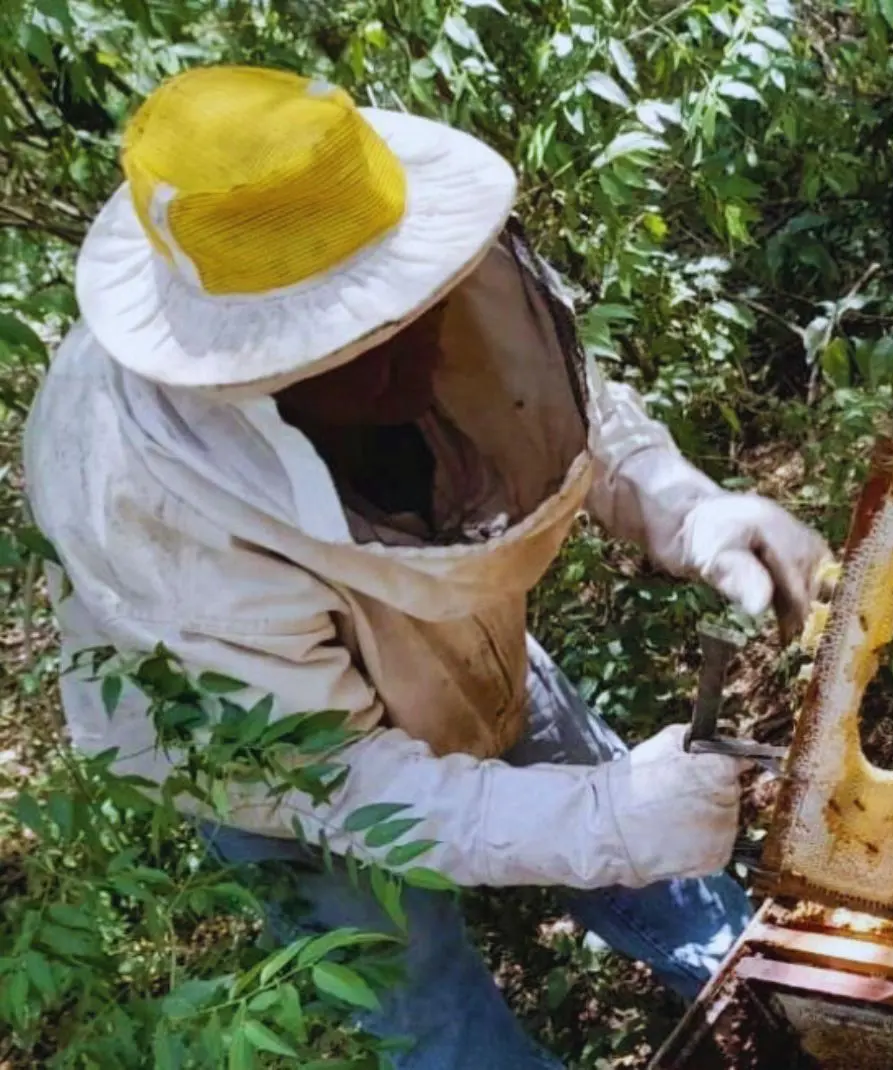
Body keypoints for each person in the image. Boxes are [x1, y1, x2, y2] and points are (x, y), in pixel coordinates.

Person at [24, 65, 829, 1067]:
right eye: (357, 347)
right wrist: (596, 819)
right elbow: (335, 776)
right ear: (249, 363)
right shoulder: (140, 492)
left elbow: (554, 404)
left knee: (661, 854)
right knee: (433, 1014)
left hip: (467, 649)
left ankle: (788, 1022)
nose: (413, 362)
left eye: (414, 312)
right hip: (288, 784)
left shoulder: (440, 301)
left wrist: (685, 506)